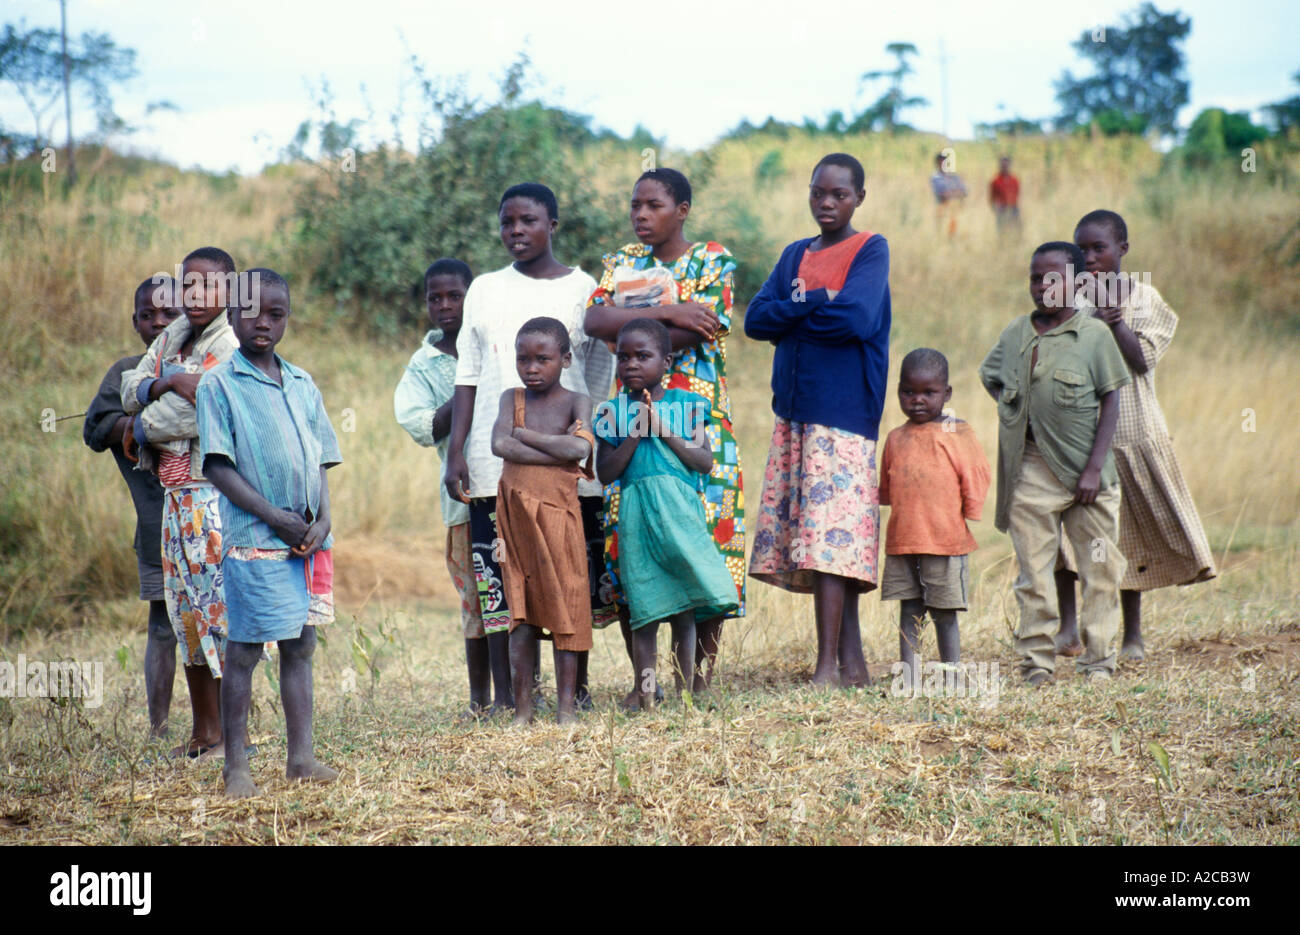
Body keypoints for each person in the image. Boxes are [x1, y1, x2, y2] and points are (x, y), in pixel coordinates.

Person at [443, 183, 614, 712]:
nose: (516, 231)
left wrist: (576, 447)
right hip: (492, 465)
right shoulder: (485, 289)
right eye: (507, 221)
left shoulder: (583, 287)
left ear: (553, 225)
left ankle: (575, 692)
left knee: (569, 574)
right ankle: (510, 697)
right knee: (501, 579)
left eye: (529, 220)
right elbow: (469, 375)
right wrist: (455, 451)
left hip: (568, 474)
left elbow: (598, 376)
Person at [584, 167, 745, 703]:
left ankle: (696, 683)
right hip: (631, 420)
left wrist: (642, 320)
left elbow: (705, 324)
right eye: (634, 205)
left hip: (699, 423)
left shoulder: (711, 259)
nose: (640, 215)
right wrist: (669, 310)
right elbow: (595, 322)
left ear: (682, 210)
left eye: (653, 205)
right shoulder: (621, 263)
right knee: (631, 543)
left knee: (704, 545)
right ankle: (644, 683)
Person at [745, 153, 891, 688]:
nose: (827, 204)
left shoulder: (870, 248)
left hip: (844, 414)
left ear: (859, 198)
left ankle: (826, 667)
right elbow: (756, 319)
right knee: (817, 537)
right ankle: (852, 665)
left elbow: (856, 318)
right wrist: (816, 304)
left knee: (834, 540)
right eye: (817, 193)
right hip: (796, 414)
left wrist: (796, 312)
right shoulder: (794, 254)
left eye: (839, 195)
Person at [196, 268, 340, 798]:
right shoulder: (219, 383)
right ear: (231, 315)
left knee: (300, 644)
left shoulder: (301, 381)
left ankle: (300, 758)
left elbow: (321, 459)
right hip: (256, 538)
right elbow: (217, 467)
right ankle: (236, 767)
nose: (264, 323)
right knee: (245, 652)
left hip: (307, 541)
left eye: (276, 314)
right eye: (252, 312)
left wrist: (323, 521)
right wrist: (274, 516)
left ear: (287, 318)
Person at [1054, 210, 1216, 661]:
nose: (1090, 258)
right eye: (1082, 250)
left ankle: (1133, 635)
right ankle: (1069, 628)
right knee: (1065, 529)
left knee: (1129, 535)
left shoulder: (1144, 299)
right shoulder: (1071, 299)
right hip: (1079, 437)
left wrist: (1116, 322)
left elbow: (1142, 360)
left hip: (1133, 433)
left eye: (1099, 248)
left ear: (1123, 249)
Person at [979, 242, 1131, 686]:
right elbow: (992, 376)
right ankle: (1037, 664)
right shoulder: (1015, 334)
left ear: (1078, 282)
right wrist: (1019, 413)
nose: (1042, 287)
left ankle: (1099, 661)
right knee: (1034, 573)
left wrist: (1092, 468)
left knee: (1101, 571)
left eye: (1053, 278)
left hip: (1090, 477)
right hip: (1031, 470)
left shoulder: (1094, 336)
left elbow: (1112, 400)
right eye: (1034, 278)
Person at [120, 246, 240, 757]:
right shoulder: (173, 336)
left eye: (208, 286)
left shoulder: (229, 345)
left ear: (230, 292)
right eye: (187, 285)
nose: (195, 295)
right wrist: (168, 381)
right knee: (186, 613)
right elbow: (129, 385)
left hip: (210, 500)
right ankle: (203, 733)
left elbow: (200, 414)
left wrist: (139, 426)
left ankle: (229, 735)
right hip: (175, 501)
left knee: (216, 615)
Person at [594, 319, 738, 709]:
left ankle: (687, 690)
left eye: (643, 356)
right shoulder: (610, 412)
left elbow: (704, 461)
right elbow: (604, 472)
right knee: (643, 607)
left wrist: (661, 429)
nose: (631, 365)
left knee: (685, 604)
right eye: (623, 357)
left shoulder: (687, 406)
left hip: (680, 514)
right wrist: (635, 434)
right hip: (637, 517)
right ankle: (645, 689)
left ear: (666, 361)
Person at [83, 276, 183, 737]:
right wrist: (131, 423)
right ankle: (158, 730)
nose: (159, 321)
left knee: (216, 625)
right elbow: (93, 430)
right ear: (135, 321)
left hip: (213, 526)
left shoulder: (204, 365)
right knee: (163, 625)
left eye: (170, 312)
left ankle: (219, 729)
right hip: (156, 527)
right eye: (149, 314)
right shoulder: (126, 373)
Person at [393, 258, 492, 712]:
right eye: (436, 297)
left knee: (513, 595)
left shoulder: (494, 340)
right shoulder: (424, 364)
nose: (446, 305)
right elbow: (422, 425)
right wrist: (466, 386)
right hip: (462, 497)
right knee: (475, 598)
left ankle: (524, 691)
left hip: (509, 484)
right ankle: (479, 701)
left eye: (456, 295)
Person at [490, 318, 597, 726]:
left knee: (567, 602)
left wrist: (527, 438)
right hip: (515, 516)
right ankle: (523, 711)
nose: (531, 368)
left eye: (543, 359)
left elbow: (579, 448)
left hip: (560, 516)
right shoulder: (511, 398)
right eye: (523, 359)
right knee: (521, 610)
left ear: (565, 359)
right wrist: (559, 449)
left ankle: (566, 710)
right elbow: (499, 444)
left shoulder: (577, 401)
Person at [879, 349, 990, 688]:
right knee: (909, 610)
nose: (917, 401)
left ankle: (952, 674)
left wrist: (970, 512)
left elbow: (976, 473)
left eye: (929, 393)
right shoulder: (896, 438)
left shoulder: (956, 433)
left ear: (947, 393)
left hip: (945, 541)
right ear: (898, 391)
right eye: (908, 392)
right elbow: (887, 483)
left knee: (944, 613)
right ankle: (910, 677)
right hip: (903, 542)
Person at [930, 151, 967, 237]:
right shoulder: (935, 177)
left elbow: (964, 191)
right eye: (941, 161)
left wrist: (952, 193)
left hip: (955, 212)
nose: (943, 164)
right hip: (942, 211)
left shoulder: (953, 176)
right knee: (942, 235)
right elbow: (942, 194)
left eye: (945, 161)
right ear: (937, 163)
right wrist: (956, 193)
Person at [989, 155, 1021, 237]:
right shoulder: (995, 181)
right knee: (1002, 232)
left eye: (1006, 165)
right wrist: (995, 208)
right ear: (1000, 166)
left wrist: (1014, 205)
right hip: (1002, 209)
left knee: (1017, 230)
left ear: (1009, 165)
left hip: (1013, 208)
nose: (1004, 167)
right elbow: (992, 197)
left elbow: (1017, 193)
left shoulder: (1014, 180)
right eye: (1003, 165)